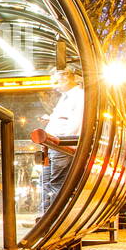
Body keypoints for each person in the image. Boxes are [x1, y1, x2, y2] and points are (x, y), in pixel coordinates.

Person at [39, 66, 84, 215]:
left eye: (56, 81)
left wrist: (64, 142)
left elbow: (77, 122)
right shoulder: (65, 98)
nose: (54, 85)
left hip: (62, 145)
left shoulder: (79, 97)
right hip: (52, 145)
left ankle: (55, 216)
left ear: (66, 78)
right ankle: (45, 214)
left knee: (56, 183)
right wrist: (50, 120)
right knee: (46, 181)